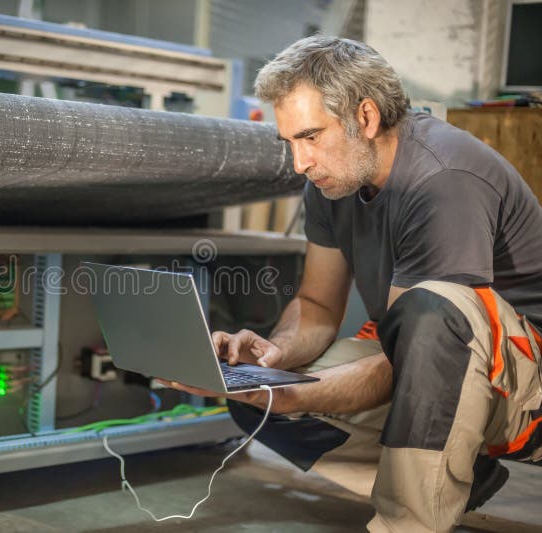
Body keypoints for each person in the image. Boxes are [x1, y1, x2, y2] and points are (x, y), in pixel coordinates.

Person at [163, 35, 542, 532]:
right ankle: (461, 478)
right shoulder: (333, 179)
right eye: (290, 142)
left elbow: (424, 347)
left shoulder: (444, 180)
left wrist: (296, 394)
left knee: (430, 312)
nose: (300, 162)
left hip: (522, 385)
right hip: (432, 359)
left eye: (311, 136)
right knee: (258, 403)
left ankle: (408, 521)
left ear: (365, 118)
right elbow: (318, 304)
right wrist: (273, 360)